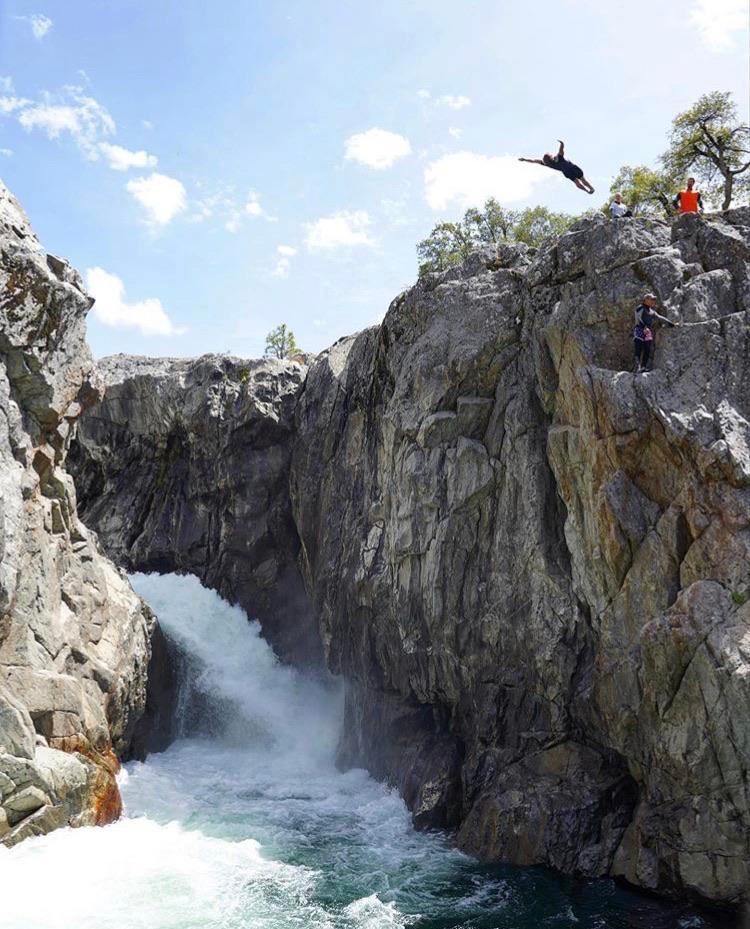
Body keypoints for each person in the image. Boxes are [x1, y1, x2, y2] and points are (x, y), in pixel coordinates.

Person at [519, 140, 595, 194]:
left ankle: (586, 191)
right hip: (572, 167)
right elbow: (561, 150)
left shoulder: (548, 164)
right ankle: (591, 188)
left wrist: (524, 159)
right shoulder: (558, 158)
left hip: (567, 172)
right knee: (582, 179)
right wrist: (562, 144)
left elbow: (534, 161)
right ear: (550, 157)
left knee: (576, 182)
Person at [633, 293, 677, 373]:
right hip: (640, 329)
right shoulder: (640, 308)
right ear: (646, 300)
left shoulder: (651, 311)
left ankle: (643, 367)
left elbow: (659, 317)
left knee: (647, 349)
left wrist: (670, 323)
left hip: (647, 331)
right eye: (652, 299)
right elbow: (638, 317)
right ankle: (637, 368)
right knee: (638, 349)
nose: (653, 301)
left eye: (654, 299)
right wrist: (643, 326)